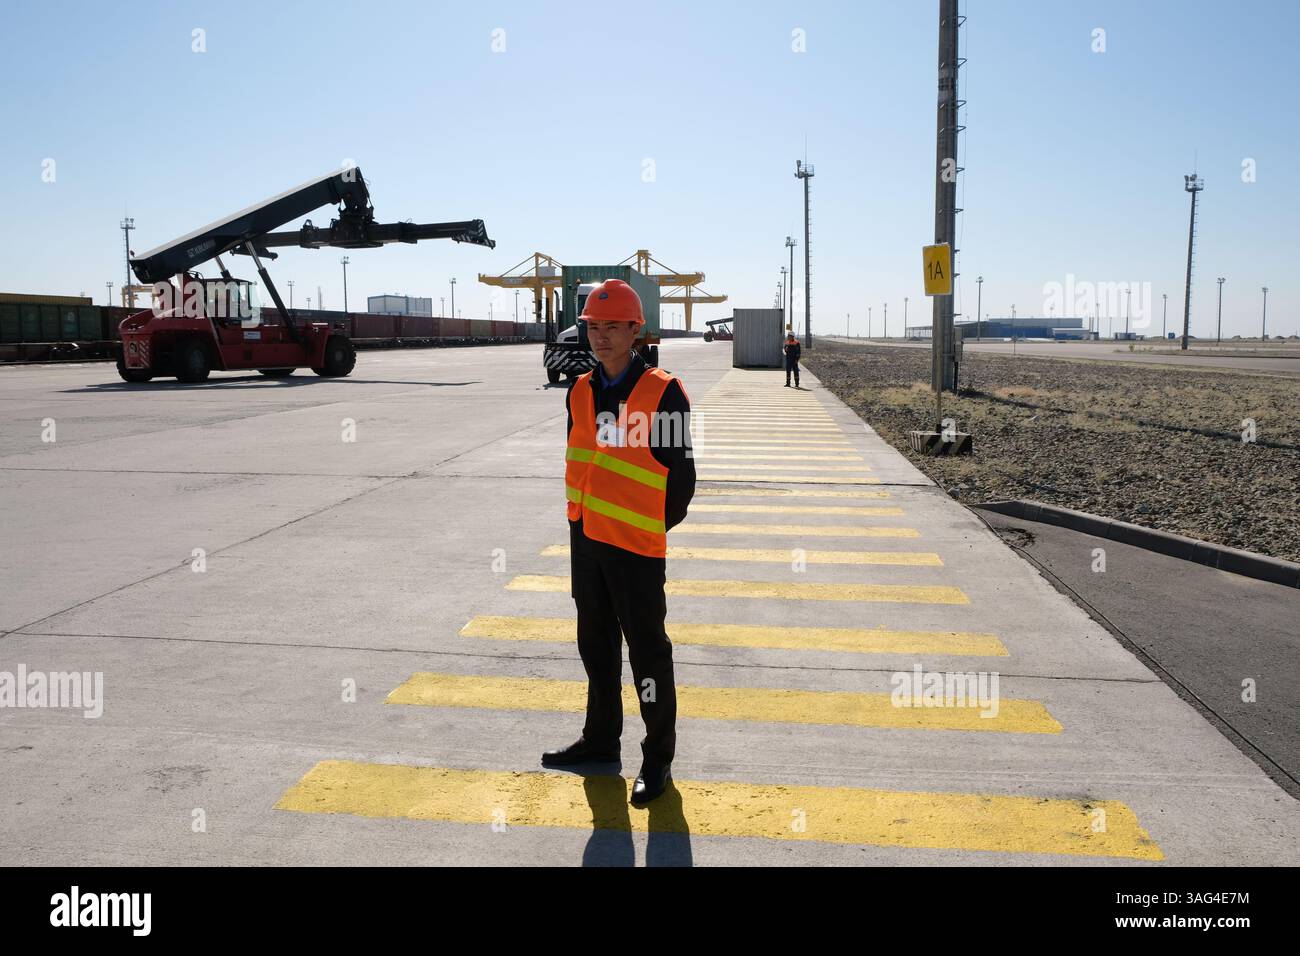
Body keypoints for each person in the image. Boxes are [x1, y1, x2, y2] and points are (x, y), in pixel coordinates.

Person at [543, 278, 695, 806]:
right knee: (597, 648)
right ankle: (601, 741)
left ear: (636, 330)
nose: (601, 336)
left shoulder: (664, 391)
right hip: (585, 541)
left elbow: (682, 481)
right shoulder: (580, 390)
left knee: (648, 656)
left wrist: (646, 527)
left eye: (613, 327)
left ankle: (658, 761)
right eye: (593, 327)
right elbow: (582, 460)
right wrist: (587, 526)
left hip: (634, 548)